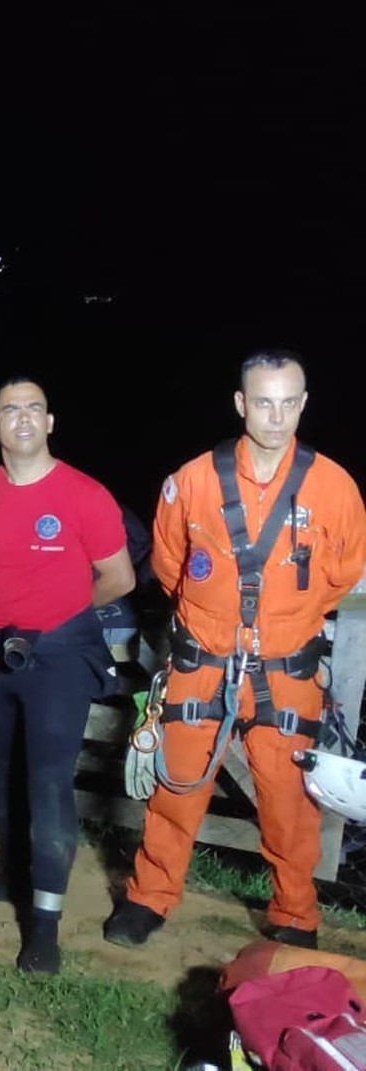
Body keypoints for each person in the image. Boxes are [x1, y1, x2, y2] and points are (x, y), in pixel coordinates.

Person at [104, 350, 366, 952]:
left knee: (288, 805)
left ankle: (295, 914)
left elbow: (342, 573)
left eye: (288, 402)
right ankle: (149, 898)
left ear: (303, 404)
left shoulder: (334, 487)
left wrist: (281, 622)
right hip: (202, 663)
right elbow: (170, 566)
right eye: (263, 401)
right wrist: (218, 620)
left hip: (285, 671)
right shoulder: (192, 480)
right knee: (177, 788)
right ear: (241, 404)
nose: (275, 416)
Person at [0, 377, 134, 974]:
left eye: (34, 409)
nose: (23, 418)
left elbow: (119, 578)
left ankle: (45, 925)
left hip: (59, 660)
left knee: (48, 782)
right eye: (9, 410)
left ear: (50, 422)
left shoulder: (85, 495)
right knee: (1, 769)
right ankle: (8, 877)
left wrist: (60, 618)